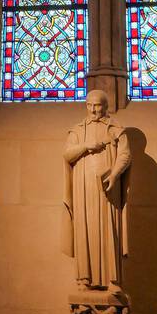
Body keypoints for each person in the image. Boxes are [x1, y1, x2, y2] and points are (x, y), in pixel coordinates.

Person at [62, 90, 131, 290]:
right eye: (89, 105)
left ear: (106, 106)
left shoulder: (115, 128)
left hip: (107, 187)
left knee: (110, 228)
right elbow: (67, 154)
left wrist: (115, 175)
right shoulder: (77, 130)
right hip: (83, 188)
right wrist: (86, 146)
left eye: (97, 105)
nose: (93, 110)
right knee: (84, 229)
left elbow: (125, 155)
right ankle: (84, 278)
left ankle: (114, 280)